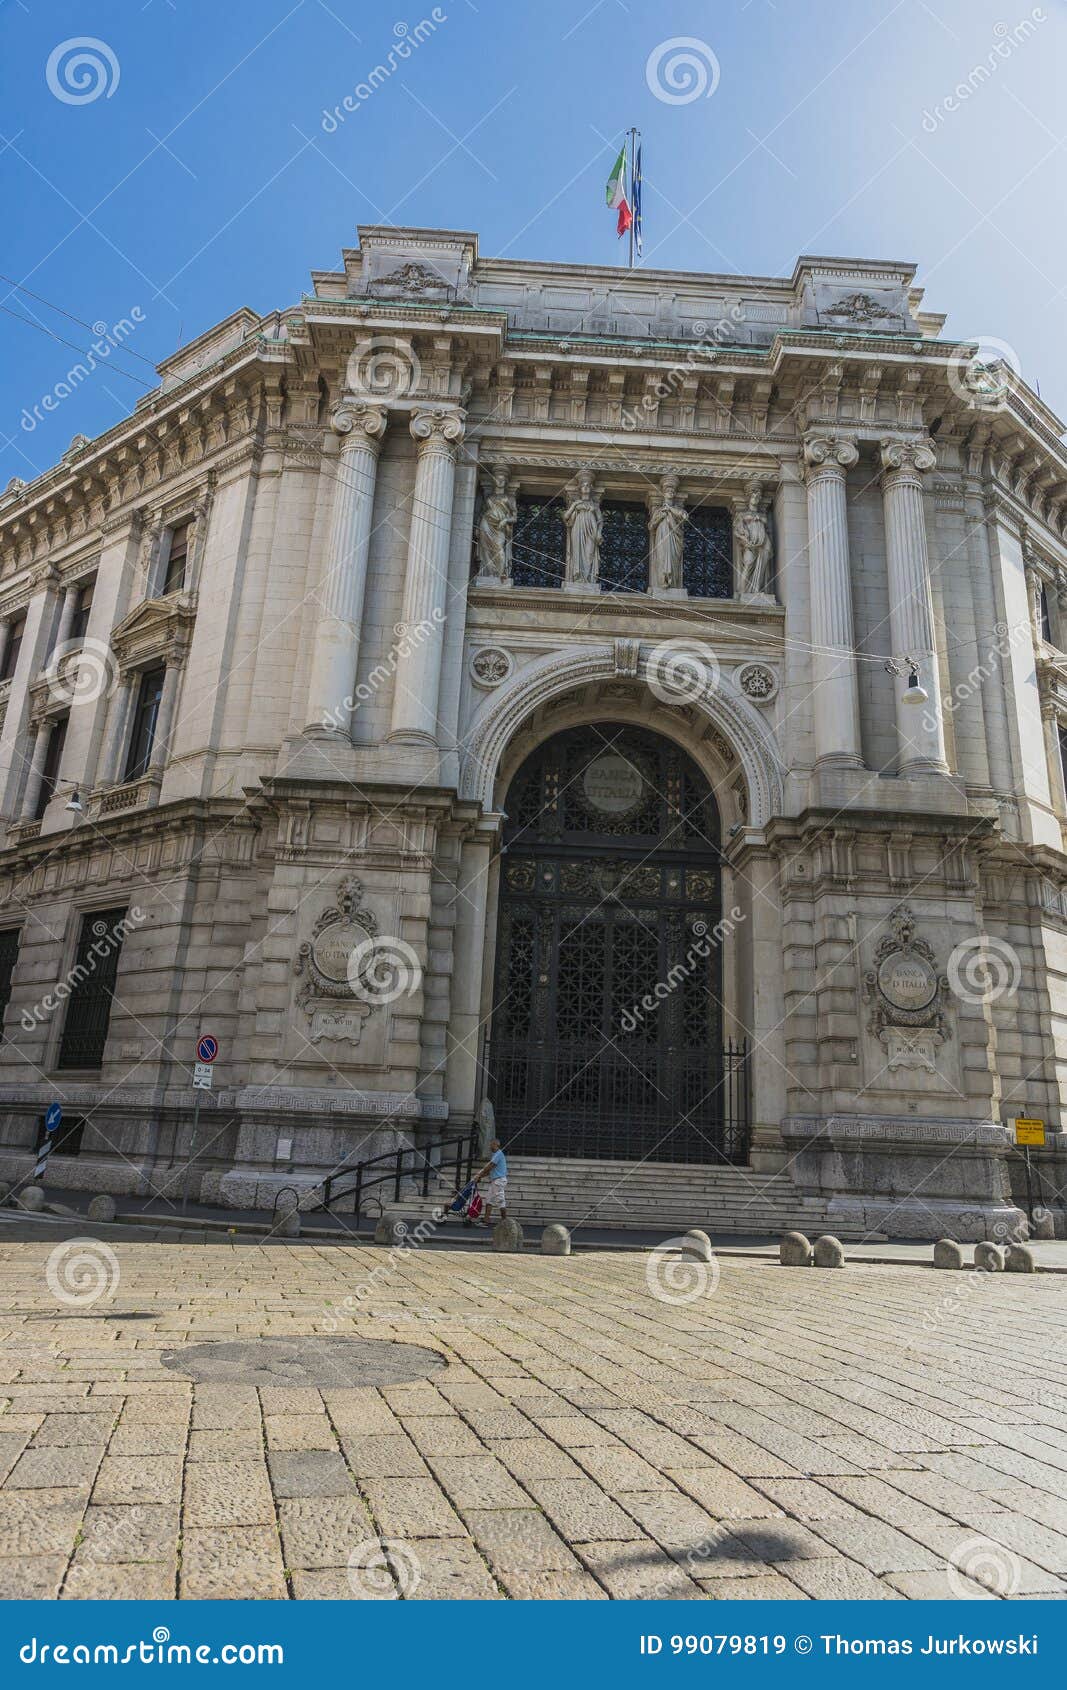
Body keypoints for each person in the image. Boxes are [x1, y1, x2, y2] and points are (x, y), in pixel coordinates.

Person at [473, 1138, 508, 1227]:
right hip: (495, 1181)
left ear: (496, 1145)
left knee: (500, 1201)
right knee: (489, 1199)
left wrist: (479, 1175)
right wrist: (480, 1176)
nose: (490, 1146)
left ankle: (505, 1222)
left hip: (499, 1181)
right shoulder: (495, 1155)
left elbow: (490, 1167)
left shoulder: (498, 1154)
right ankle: (486, 1221)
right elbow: (489, 1171)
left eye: (491, 1144)